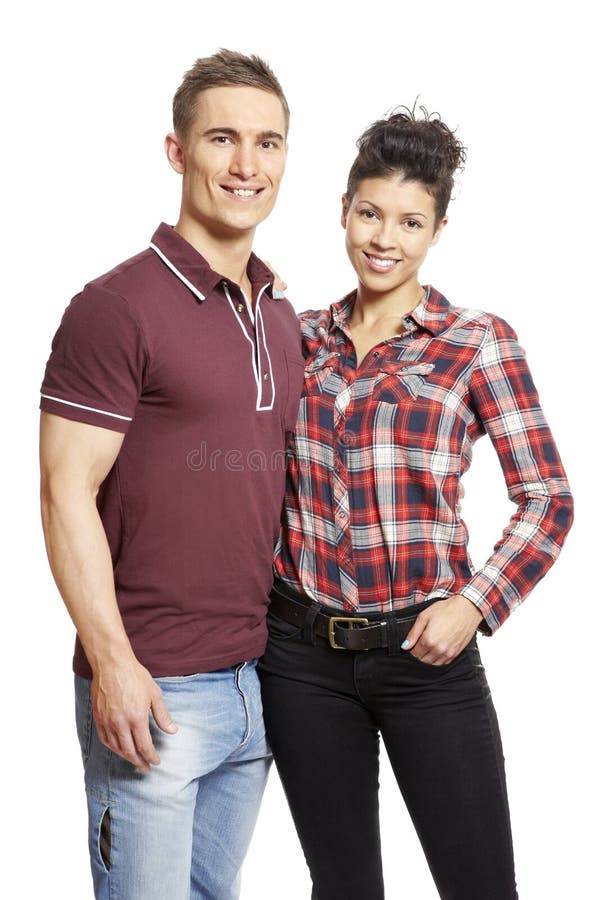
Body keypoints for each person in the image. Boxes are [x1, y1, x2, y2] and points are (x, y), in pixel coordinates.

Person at [259, 107, 574, 900]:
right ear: (342, 210)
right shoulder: (291, 338)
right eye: (369, 213)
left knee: (479, 887)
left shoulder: (477, 342)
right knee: (342, 887)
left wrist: (475, 603)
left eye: (409, 221)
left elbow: (547, 498)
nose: (383, 238)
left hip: (427, 659)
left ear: (437, 230)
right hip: (301, 659)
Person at [39, 49, 304, 900]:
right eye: (222, 138)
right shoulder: (115, 308)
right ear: (177, 151)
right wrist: (113, 661)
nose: (246, 164)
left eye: (267, 143)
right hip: (154, 690)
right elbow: (63, 489)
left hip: (254, 684)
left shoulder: (278, 314)